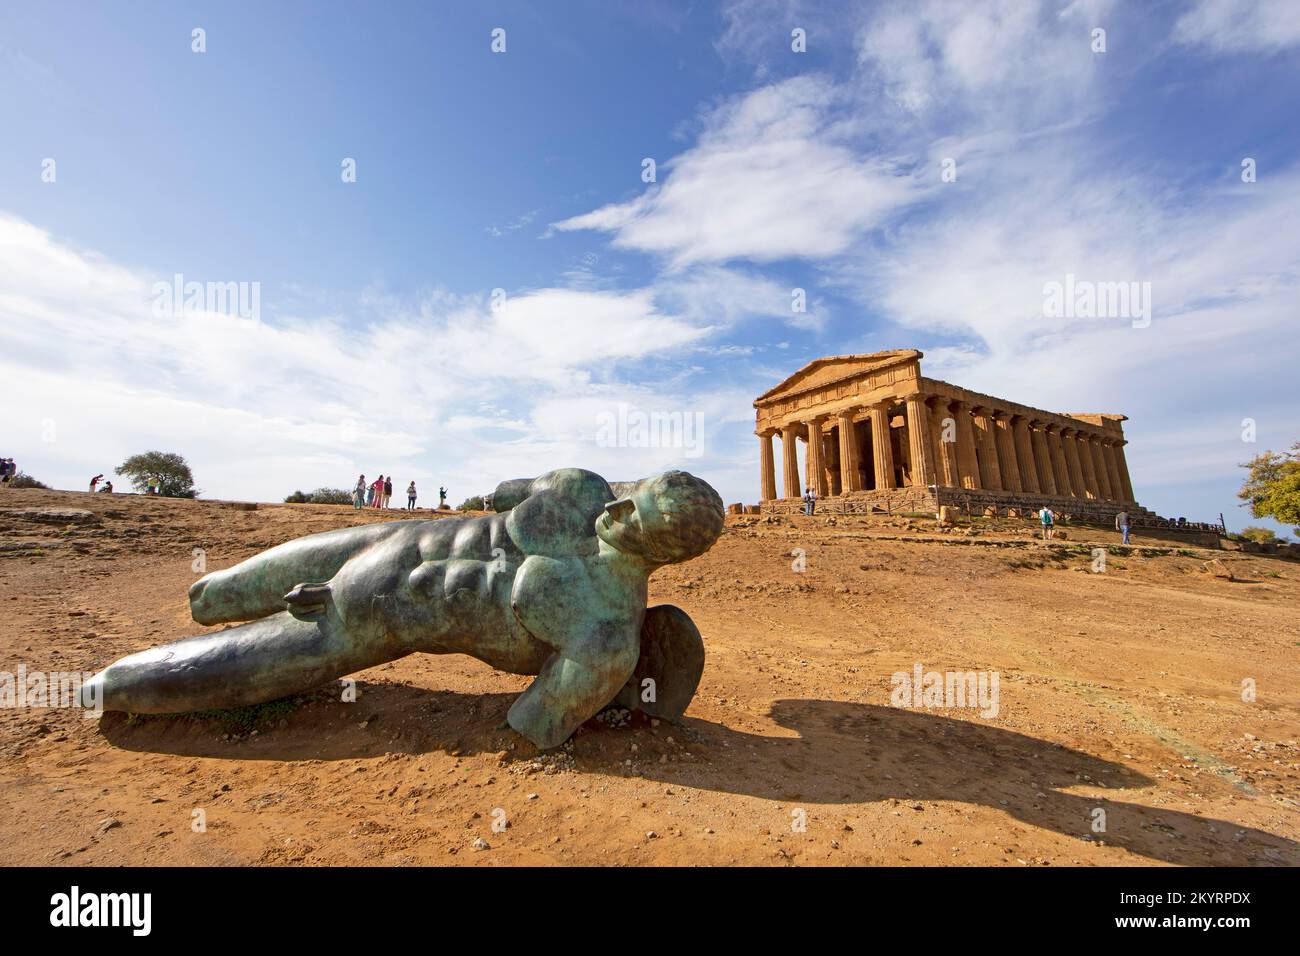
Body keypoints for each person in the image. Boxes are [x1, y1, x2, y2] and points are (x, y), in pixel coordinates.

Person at [87, 468, 725, 750]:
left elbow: (534, 722)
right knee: (211, 594)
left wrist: (605, 692)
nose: (614, 512)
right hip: (389, 543)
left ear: (661, 554)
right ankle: (115, 681)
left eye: (632, 521)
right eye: (630, 497)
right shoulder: (582, 496)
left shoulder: (607, 633)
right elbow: (540, 719)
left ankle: (103, 689)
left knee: (136, 682)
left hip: (382, 612)